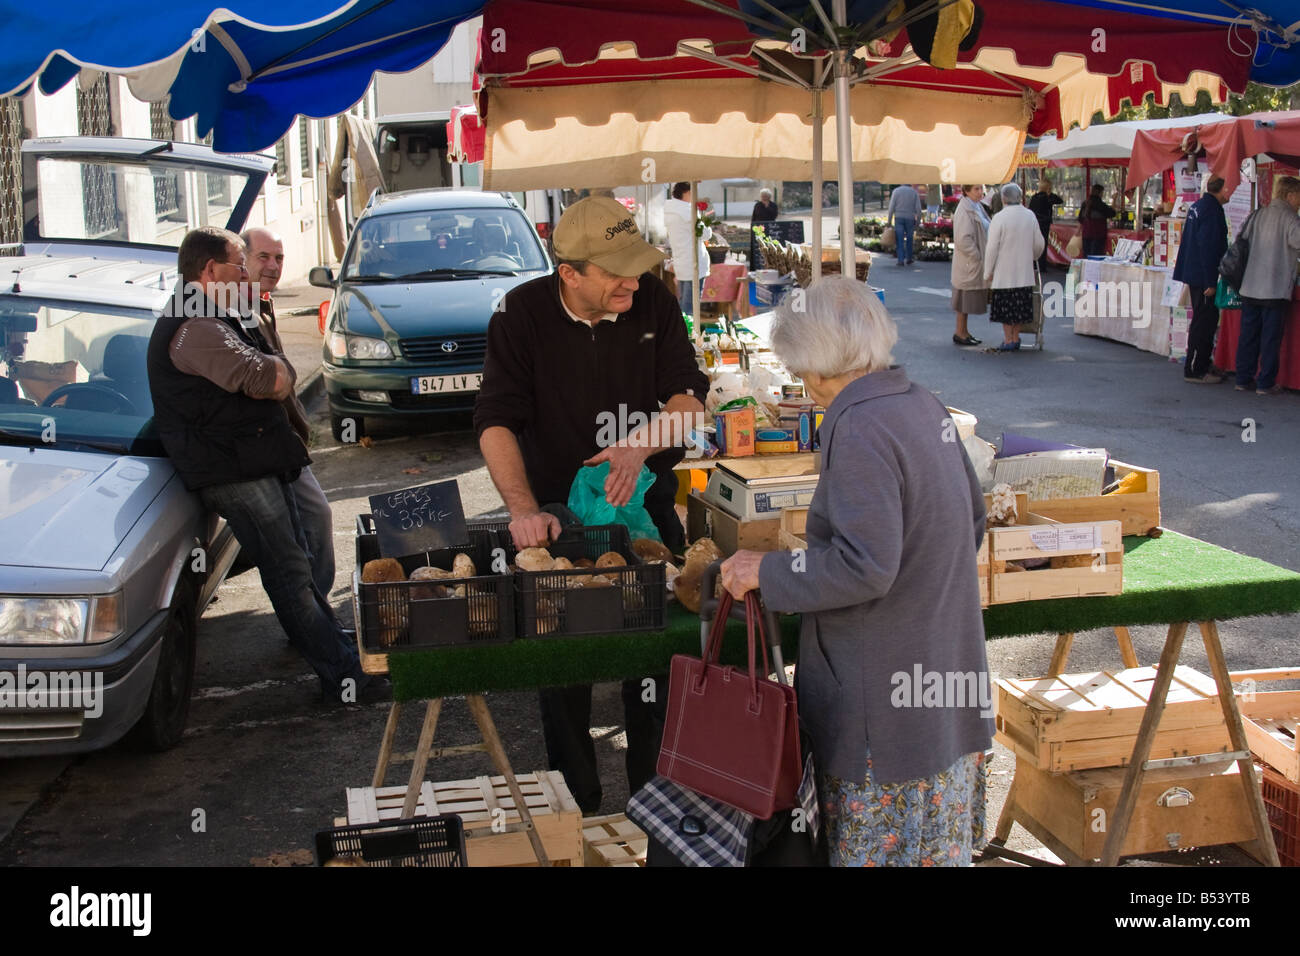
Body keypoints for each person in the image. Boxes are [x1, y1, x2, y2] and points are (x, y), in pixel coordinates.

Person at [718, 276, 993, 867]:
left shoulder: (859, 424)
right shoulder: (921, 402)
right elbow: (973, 520)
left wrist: (768, 571)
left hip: (883, 716)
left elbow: (864, 567)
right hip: (942, 689)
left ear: (814, 367)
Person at [474, 196, 710, 813]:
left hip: (643, 508)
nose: (631, 280)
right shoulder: (519, 315)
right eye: (614, 270)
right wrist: (524, 508)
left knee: (654, 656)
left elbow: (689, 405)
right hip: (557, 511)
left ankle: (654, 804)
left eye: (636, 265)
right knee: (564, 664)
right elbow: (496, 421)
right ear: (569, 273)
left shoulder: (653, 301)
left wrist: (637, 448)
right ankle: (575, 806)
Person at [147, 226, 374, 702]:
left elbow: (273, 374)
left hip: (256, 459)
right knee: (289, 570)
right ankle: (343, 675)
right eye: (240, 264)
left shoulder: (222, 311)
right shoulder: (194, 326)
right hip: (235, 472)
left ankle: (339, 654)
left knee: (299, 561)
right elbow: (267, 378)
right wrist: (276, 371)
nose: (249, 272)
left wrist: (275, 371)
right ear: (210, 271)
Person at [242, 226, 337, 595]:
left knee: (308, 526)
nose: (273, 265)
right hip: (265, 448)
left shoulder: (261, 302)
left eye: (279, 258)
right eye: (262, 257)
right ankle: (314, 616)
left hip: (284, 443)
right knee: (307, 527)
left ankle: (317, 611)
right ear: (241, 260)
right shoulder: (234, 309)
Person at [1235, 175, 1300, 395]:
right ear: (1290, 195)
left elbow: (1242, 239)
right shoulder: (1291, 219)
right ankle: (1265, 383)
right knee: (1270, 338)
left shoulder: (1258, 214)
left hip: (1250, 285)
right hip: (1274, 287)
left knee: (1248, 335)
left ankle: (1243, 378)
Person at [1171, 177, 1229, 385]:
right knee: (1203, 323)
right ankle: (1196, 369)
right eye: (1228, 188)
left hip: (1194, 272)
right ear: (1222, 189)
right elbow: (1208, 248)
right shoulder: (1211, 211)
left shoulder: (1198, 206)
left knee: (1204, 320)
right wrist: (1210, 282)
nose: (1230, 193)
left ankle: (1201, 364)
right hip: (1203, 276)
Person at [984, 184, 1045, 351]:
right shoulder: (1030, 216)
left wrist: (988, 271)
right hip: (1023, 272)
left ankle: (1008, 338)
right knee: (1019, 307)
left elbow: (992, 248)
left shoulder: (999, 217)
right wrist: (1032, 256)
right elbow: (1039, 243)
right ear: (1020, 197)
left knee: (1005, 307)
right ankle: (1016, 337)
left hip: (1004, 272)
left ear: (1004, 198)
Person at [663, 182, 711, 317]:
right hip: (693, 262)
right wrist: (705, 221)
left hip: (681, 261)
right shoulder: (687, 212)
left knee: (684, 303)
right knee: (690, 308)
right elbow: (705, 234)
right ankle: (686, 335)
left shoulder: (671, 210)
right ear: (687, 193)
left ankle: (680, 332)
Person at [950, 184, 989, 347]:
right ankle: (960, 332)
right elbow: (963, 239)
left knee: (965, 299)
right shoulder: (965, 209)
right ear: (966, 191)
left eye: (981, 188)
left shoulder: (976, 206)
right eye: (976, 189)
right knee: (964, 299)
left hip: (972, 262)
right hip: (969, 263)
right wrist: (977, 256)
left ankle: (963, 331)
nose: (980, 192)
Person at [1028, 177, 1064, 269]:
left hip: (1035, 223)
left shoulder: (1034, 197)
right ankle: (1041, 264)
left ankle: (1034, 263)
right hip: (1044, 223)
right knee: (1043, 243)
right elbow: (1060, 200)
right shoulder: (1047, 198)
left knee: (1035, 243)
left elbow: (1030, 209)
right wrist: (1050, 193)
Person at [886, 183, 923, 266]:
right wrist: (918, 222)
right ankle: (909, 258)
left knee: (900, 239)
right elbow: (918, 209)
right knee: (910, 239)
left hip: (898, 218)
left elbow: (891, 207)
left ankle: (900, 260)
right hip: (910, 218)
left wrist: (889, 221)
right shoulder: (914, 192)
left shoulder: (896, 191)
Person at [1078, 184, 1116, 258]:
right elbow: (1112, 213)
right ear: (1100, 193)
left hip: (1086, 234)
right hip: (1098, 235)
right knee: (1095, 258)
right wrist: (1114, 200)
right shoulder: (1100, 205)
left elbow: (1080, 219)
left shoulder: (1085, 203)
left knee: (1086, 257)